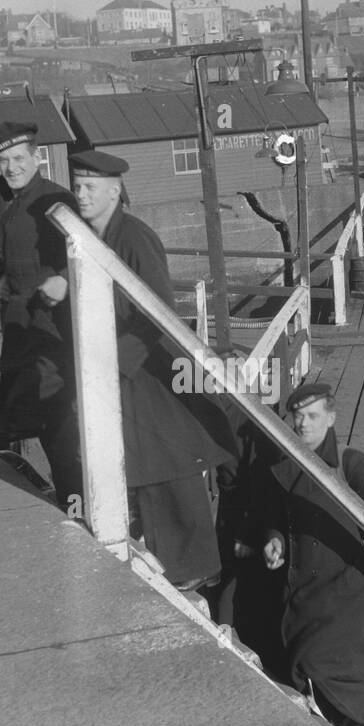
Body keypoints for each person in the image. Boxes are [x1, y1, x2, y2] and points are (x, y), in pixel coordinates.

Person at [68, 149, 233, 590]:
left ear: (115, 191)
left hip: (148, 373)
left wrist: (112, 366)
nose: (81, 195)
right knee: (136, 468)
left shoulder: (134, 240)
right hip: (116, 376)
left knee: (165, 464)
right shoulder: (86, 239)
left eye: (90, 187)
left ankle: (190, 575)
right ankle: (159, 566)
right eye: (77, 186)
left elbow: (158, 309)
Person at [256, 381, 364, 726]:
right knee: (300, 664)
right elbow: (276, 513)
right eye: (297, 416)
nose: (303, 424)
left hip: (344, 583)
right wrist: (273, 538)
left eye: (313, 416)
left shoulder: (348, 462)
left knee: (321, 661)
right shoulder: (285, 461)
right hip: (300, 584)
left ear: (331, 418)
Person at [0, 121, 82, 509]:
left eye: (18, 159)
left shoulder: (57, 201)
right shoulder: (10, 207)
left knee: (56, 428)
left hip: (50, 337)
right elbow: (8, 258)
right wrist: (1, 275)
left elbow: (84, 254)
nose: (11, 168)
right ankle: (47, 504)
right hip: (19, 335)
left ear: (37, 157)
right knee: (20, 427)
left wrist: (63, 279)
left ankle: (76, 509)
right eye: (4, 161)